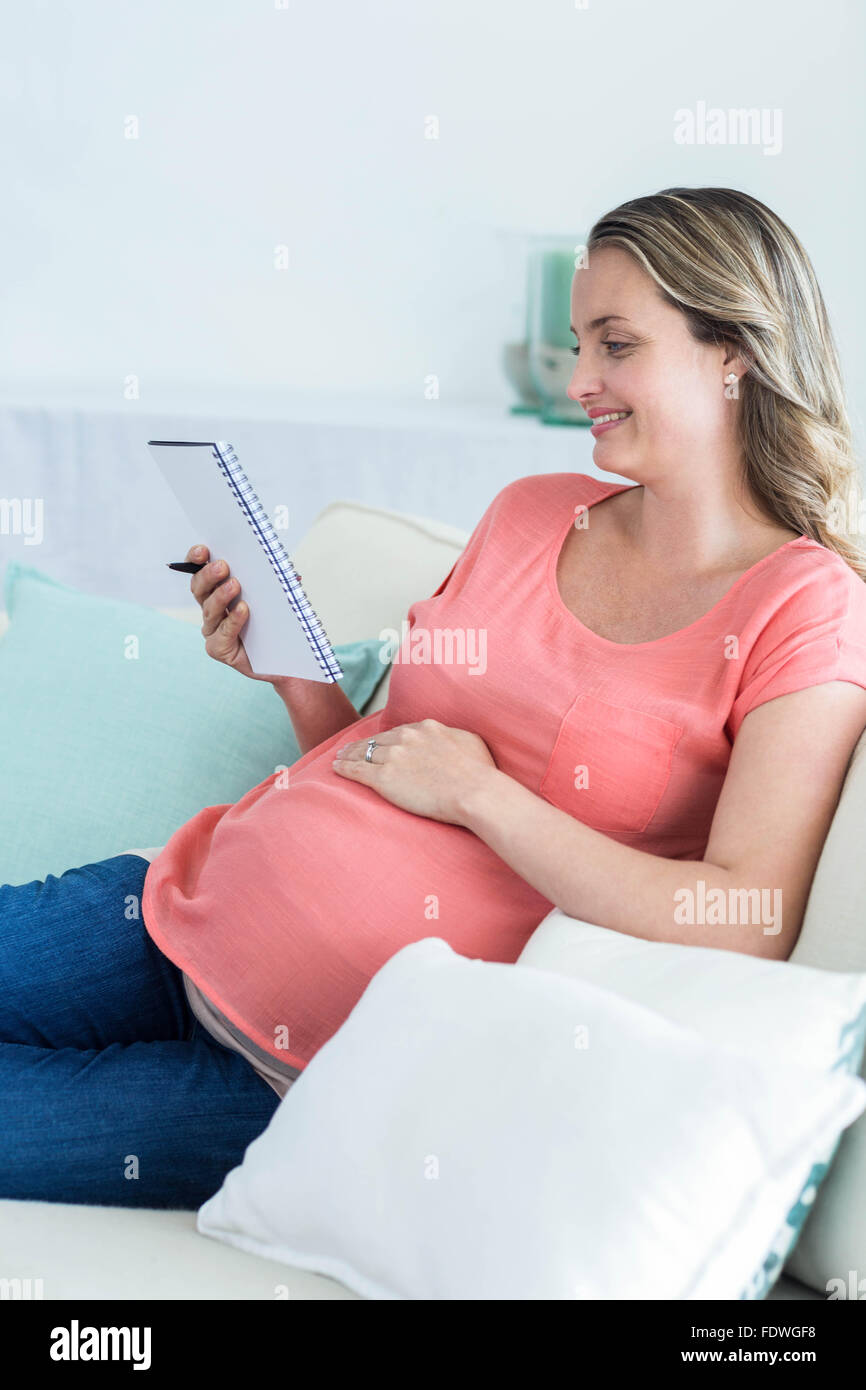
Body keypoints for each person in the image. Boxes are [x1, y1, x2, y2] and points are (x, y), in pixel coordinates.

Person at [4, 186, 866, 1210]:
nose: (581, 378)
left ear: (733, 353)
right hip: (163, 912)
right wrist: (300, 678)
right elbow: (389, 757)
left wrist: (485, 797)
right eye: (577, 341)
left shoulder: (804, 609)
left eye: (615, 343)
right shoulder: (531, 513)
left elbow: (746, 913)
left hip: (303, 1083)